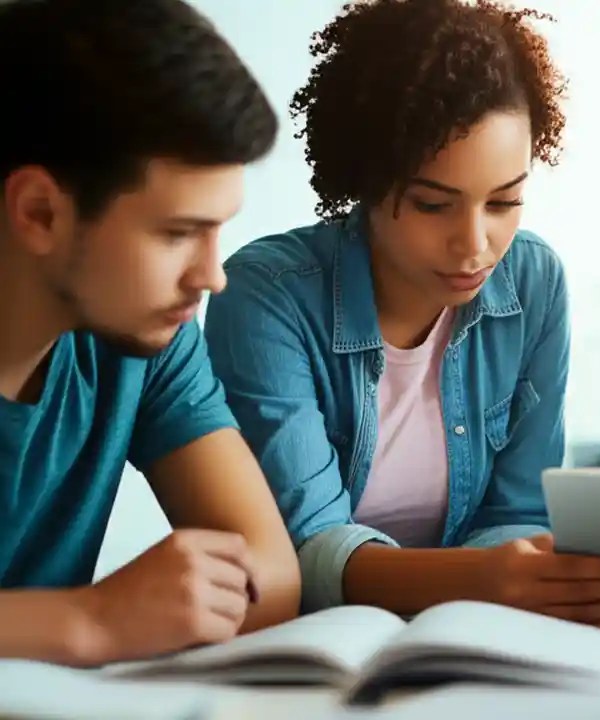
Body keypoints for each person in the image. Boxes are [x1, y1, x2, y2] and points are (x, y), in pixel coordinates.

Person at [203, 0, 600, 625]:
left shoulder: (534, 281)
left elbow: (518, 513)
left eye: (504, 202)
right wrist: (483, 580)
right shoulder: (266, 296)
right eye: (434, 205)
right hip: (314, 643)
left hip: (470, 637)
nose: (474, 244)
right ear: (368, 176)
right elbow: (305, 549)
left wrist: (534, 575)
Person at [0, 0, 300, 665]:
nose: (212, 275)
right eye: (178, 233)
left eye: (218, 230)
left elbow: (270, 577)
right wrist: (89, 621)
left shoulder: (148, 337)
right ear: (40, 212)